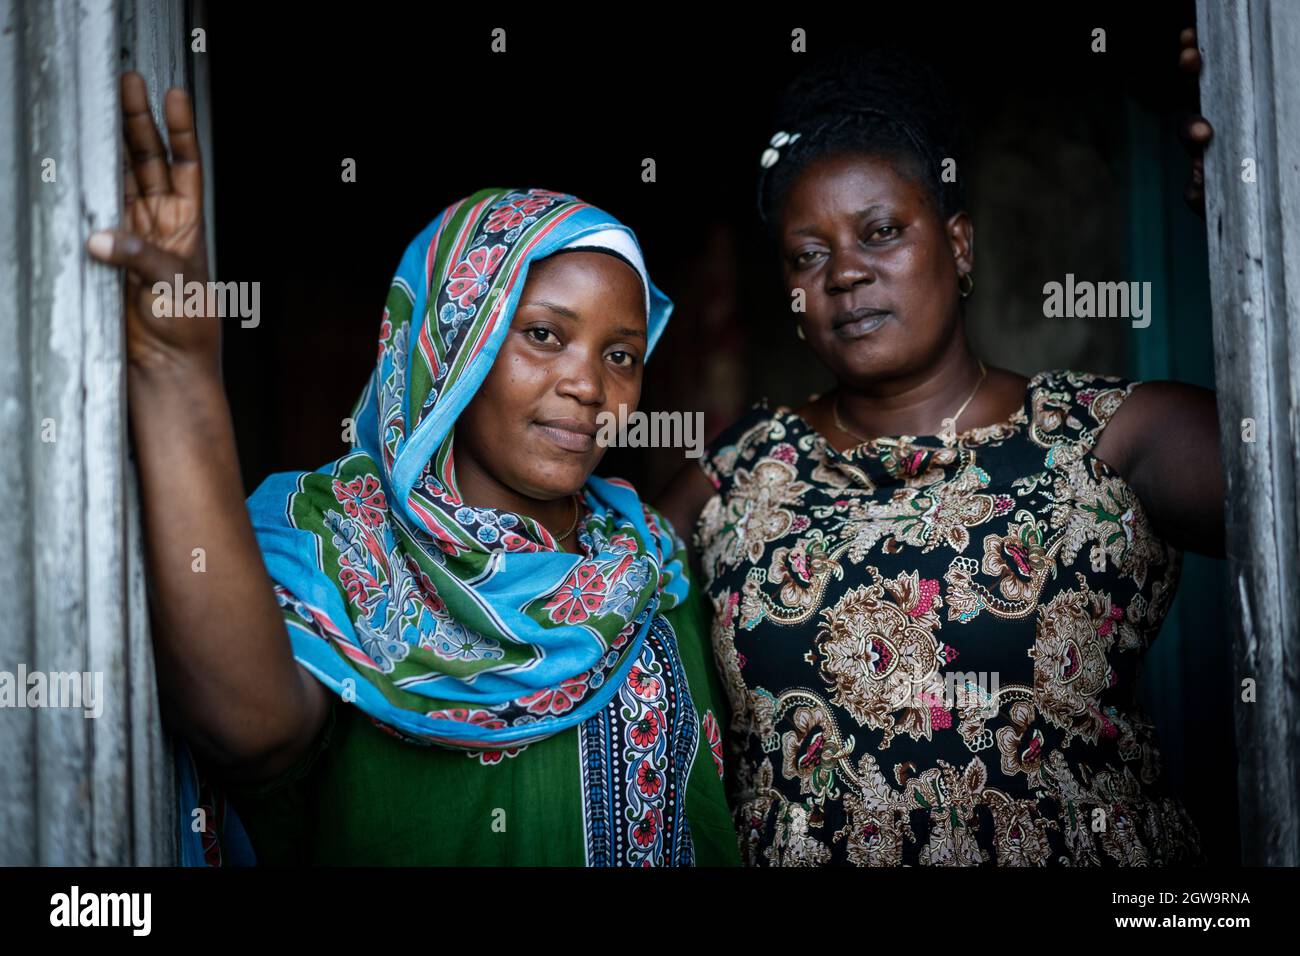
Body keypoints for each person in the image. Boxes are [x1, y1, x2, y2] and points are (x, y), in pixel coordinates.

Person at [87, 73, 738, 866]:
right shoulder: (338, 544)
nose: (588, 384)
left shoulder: (647, 561)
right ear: (452, 350)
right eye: (541, 334)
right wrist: (176, 371)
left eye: (621, 355)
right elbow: (250, 733)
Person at [660, 36, 1222, 866]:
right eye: (808, 256)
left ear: (958, 246)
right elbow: (583, 598)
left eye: (880, 231)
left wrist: (1264, 212)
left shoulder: (1111, 434)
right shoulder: (741, 467)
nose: (845, 274)